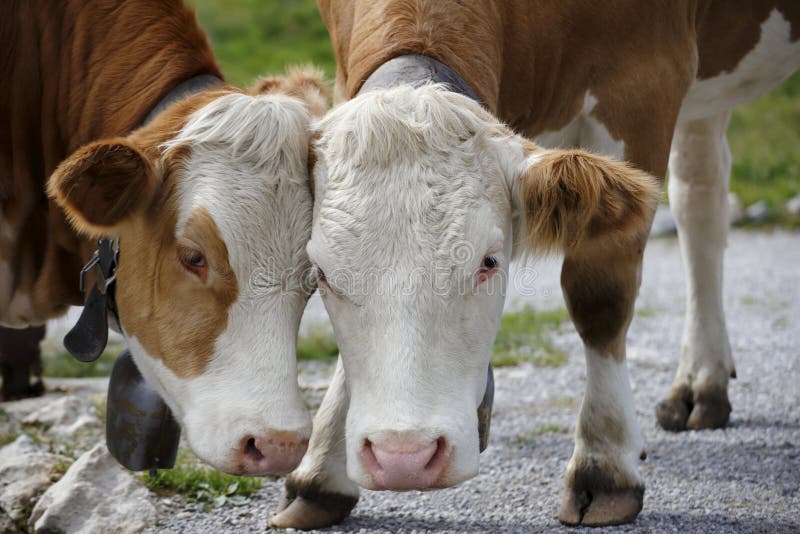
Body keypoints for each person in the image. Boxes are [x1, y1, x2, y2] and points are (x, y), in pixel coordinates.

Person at [0, 325, 45, 401]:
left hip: (16, 357)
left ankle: (13, 396)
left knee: (17, 391)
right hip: (15, 357)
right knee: (15, 391)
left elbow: (35, 343)